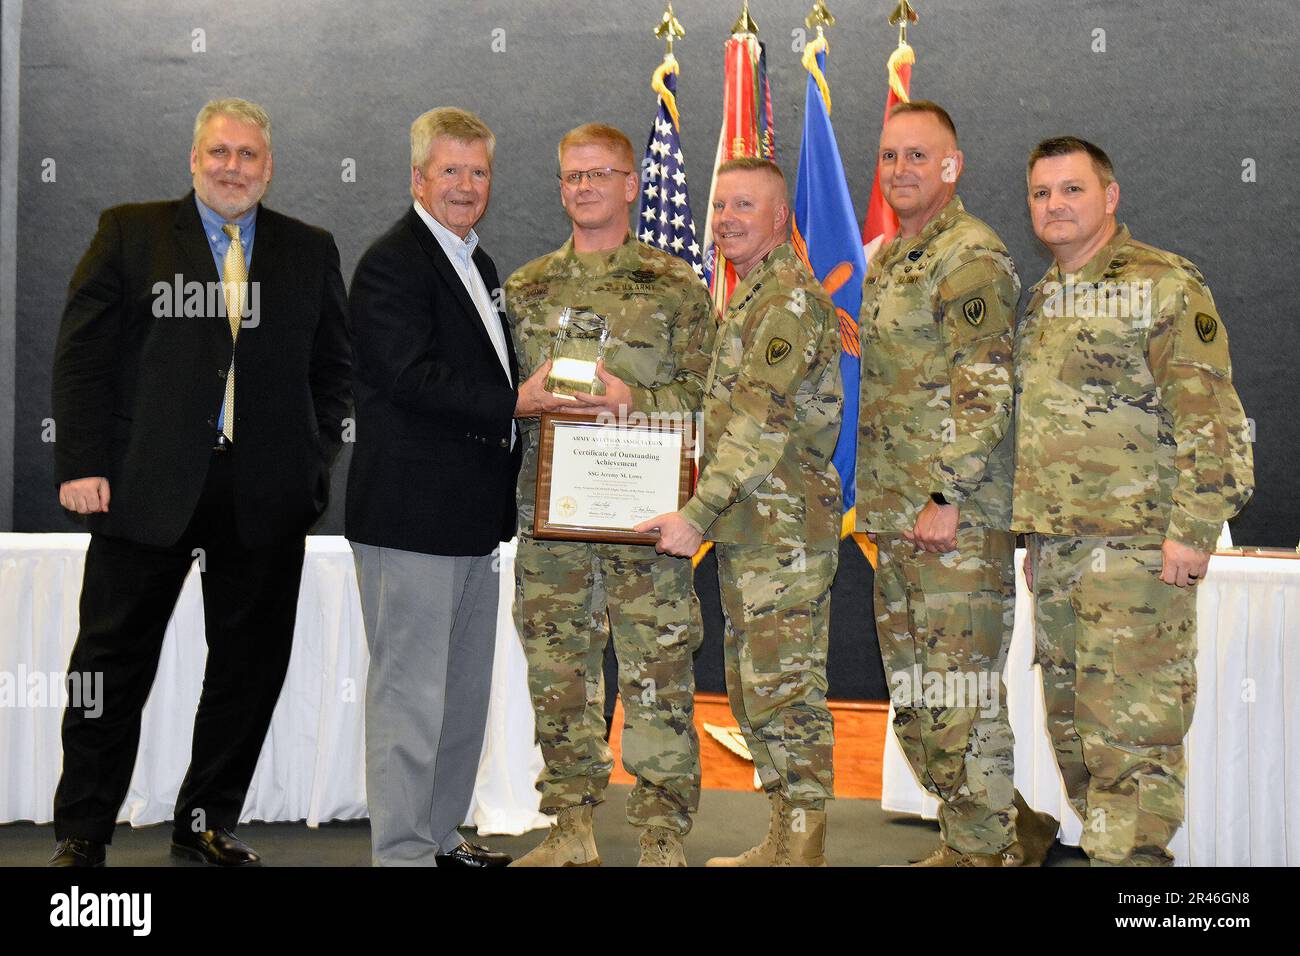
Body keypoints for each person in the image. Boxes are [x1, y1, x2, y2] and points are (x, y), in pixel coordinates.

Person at [48, 98, 351, 867]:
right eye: (219, 152)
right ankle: (83, 833)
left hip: (263, 501)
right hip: (142, 492)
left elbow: (333, 372)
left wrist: (310, 467)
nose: (232, 168)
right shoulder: (130, 232)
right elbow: (82, 356)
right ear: (193, 159)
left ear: (269, 167)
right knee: (106, 672)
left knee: (246, 674)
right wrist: (82, 463)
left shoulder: (308, 250)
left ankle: (207, 821)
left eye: (248, 155)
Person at [1016, 136, 1254, 866]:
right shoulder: (1045, 294)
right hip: (1060, 557)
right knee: (1079, 741)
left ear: (1110, 198)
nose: (1054, 205)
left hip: (1137, 559)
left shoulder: (1163, 284)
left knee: (1130, 746)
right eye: (1040, 193)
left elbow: (1213, 422)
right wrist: (1035, 542)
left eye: (1072, 190)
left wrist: (1191, 530)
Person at [504, 124, 715, 867]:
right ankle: (570, 827)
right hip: (553, 524)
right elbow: (498, 399)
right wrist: (522, 400)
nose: (584, 187)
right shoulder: (525, 289)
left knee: (658, 676)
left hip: (645, 520)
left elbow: (708, 398)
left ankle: (660, 835)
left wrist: (638, 397)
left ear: (632, 185)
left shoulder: (679, 287)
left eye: (600, 174)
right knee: (559, 676)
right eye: (572, 176)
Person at [855, 101, 1058, 867]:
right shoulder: (889, 259)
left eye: (918, 156)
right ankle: (1008, 825)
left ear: (952, 165)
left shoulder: (969, 254)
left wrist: (948, 495)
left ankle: (979, 852)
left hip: (953, 519)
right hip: (899, 513)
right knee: (917, 698)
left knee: (959, 696)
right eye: (889, 157)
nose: (900, 170)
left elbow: (987, 385)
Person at [638, 158, 840, 867]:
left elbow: (756, 426)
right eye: (719, 205)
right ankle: (786, 835)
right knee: (760, 686)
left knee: (785, 688)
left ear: (779, 217)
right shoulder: (751, 296)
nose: (724, 219)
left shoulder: (782, 302)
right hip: (755, 527)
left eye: (743, 206)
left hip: (781, 532)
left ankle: (803, 842)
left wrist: (694, 512)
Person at [345, 107, 521, 867]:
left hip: (472, 519)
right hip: (410, 518)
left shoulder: (476, 264)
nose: (465, 185)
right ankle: (403, 854)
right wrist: (521, 401)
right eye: (449, 170)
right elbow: (409, 378)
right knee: (409, 699)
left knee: (459, 699)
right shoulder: (394, 262)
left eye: (477, 171)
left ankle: (442, 835)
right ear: (417, 177)